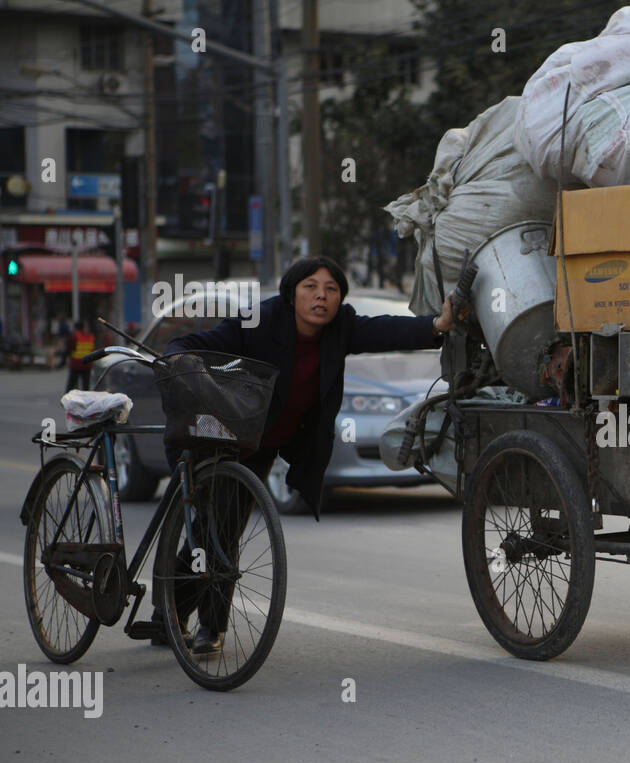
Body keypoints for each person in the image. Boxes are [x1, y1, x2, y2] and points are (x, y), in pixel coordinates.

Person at [132, 255, 463, 651]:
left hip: (264, 443)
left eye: (331, 290)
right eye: (311, 287)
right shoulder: (262, 319)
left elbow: (383, 331)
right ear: (292, 294)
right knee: (213, 529)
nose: (321, 297)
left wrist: (437, 325)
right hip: (220, 435)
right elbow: (201, 342)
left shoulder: (340, 328)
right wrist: (177, 354)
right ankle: (207, 626)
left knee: (217, 529)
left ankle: (169, 614)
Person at [64, 319, 95, 390]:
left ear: (76, 328)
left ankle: (68, 399)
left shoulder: (74, 336)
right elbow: (93, 349)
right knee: (86, 386)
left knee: (71, 385)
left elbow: (69, 348)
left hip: (76, 364)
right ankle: (86, 400)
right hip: (87, 364)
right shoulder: (90, 336)